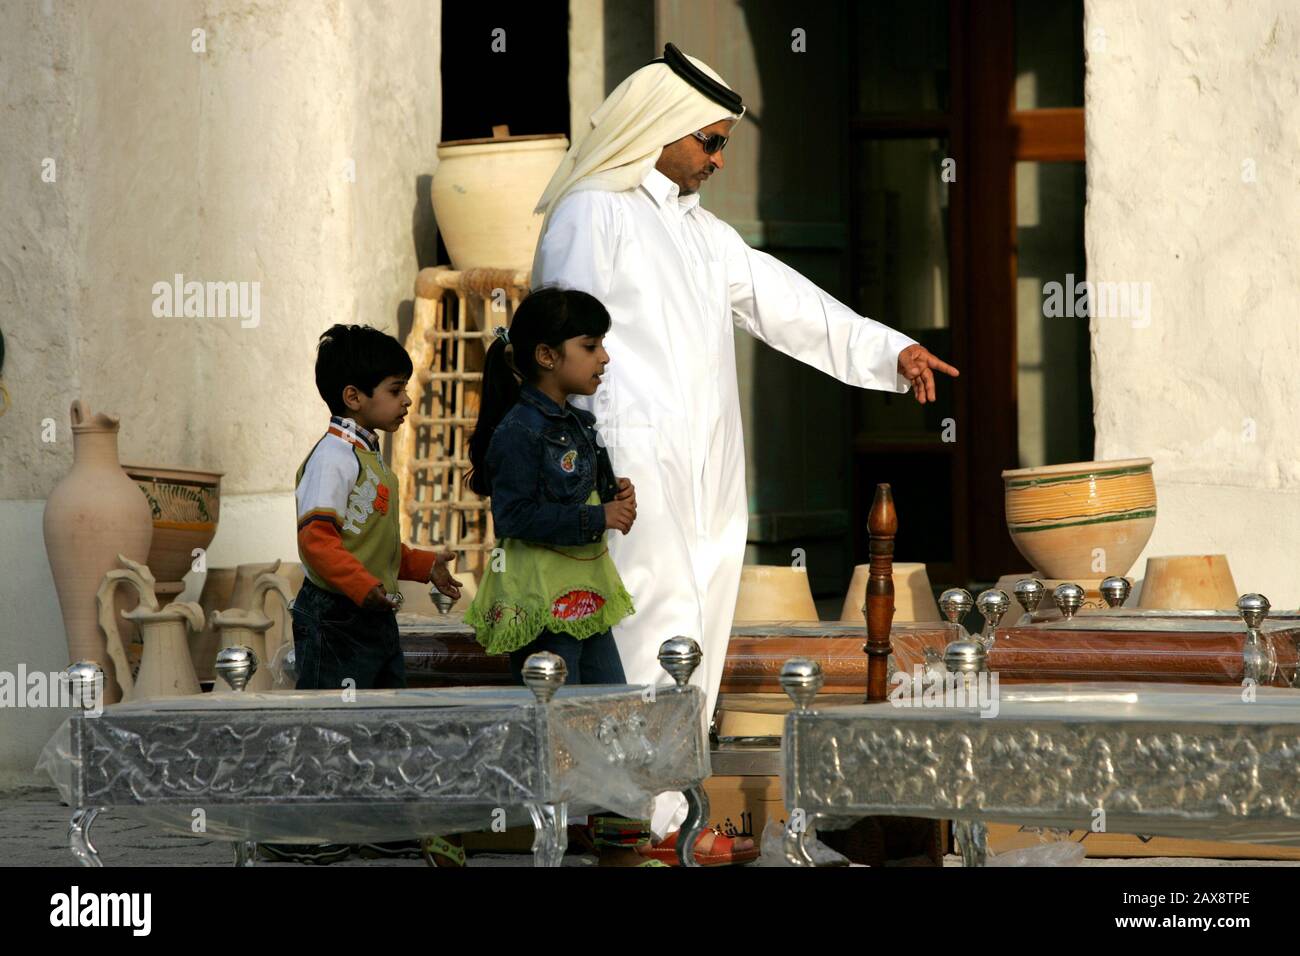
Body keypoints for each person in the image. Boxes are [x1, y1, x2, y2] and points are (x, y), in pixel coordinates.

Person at [531, 43, 960, 865]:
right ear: (659, 129)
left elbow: (789, 306)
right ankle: (634, 823)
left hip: (710, 467)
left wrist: (890, 353)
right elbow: (556, 343)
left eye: (724, 143)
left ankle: (671, 817)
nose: (719, 161)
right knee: (645, 628)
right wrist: (573, 464)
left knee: (700, 634)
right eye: (710, 142)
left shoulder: (703, 235)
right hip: (626, 465)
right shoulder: (593, 211)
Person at [261, 323, 464, 865]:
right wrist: (365, 588)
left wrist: (424, 567)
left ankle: (375, 822)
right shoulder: (333, 457)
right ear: (355, 397)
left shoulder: (367, 456)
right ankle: (302, 828)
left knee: (381, 721)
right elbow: (317, 541)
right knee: (329, 722)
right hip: (336, 617)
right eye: (396, 390)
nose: (406, 400)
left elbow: (375, 545)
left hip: (370, 613)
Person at [464, 287, 652, 865]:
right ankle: (541, 838)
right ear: (547, 356)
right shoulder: (519, 432)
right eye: (590, 345)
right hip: (544, 601)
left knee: (612, 712)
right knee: (560, 724)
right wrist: (598, 515)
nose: (604, 358)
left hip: (586, 595)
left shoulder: (580, 423)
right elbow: (515, 516)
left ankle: (618, 841)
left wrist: (616, 494)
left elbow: (592, 486)